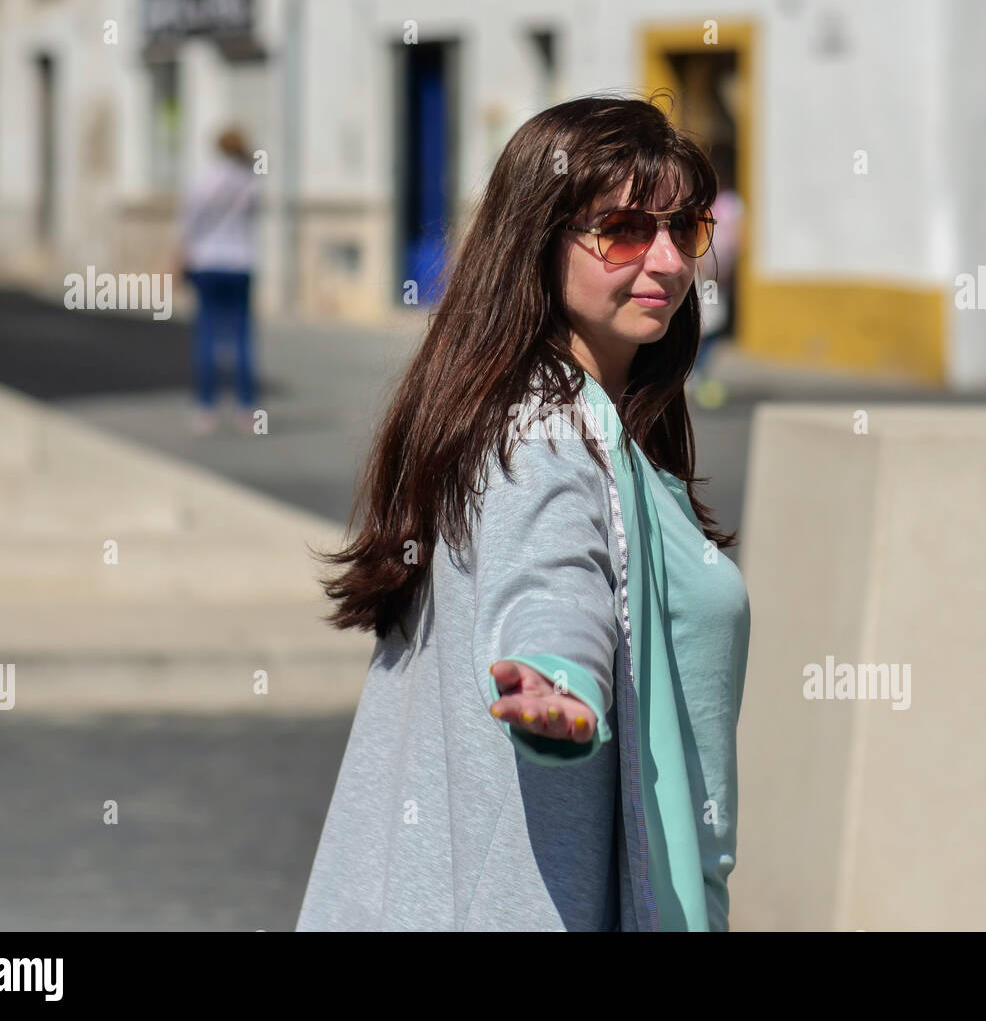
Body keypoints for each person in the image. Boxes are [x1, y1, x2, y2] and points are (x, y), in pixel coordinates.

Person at [296, 93, 751, 932]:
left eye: (683, 228)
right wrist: (555, 676)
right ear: (538, 240)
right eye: (622, 230)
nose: (665, 261)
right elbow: (548, 579)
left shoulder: (594, 424)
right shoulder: (542, 433)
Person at [176, 125, 260, 434]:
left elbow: (188, 223)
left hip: (207, 262)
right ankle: (247, 408)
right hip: (240, 262)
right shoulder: (249, 181)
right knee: (242, 338)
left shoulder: (203, 179)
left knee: (207, 335)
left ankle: (206, 408)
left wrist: (178, 259)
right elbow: (252, 217)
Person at [687, 162, 743, 409]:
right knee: (707, 322)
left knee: (712, 322)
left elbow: (734, 239)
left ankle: (694, 372)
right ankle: (692, 372)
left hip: (717, 276)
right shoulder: (704, 206)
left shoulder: (729, 205)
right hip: (704, 275)